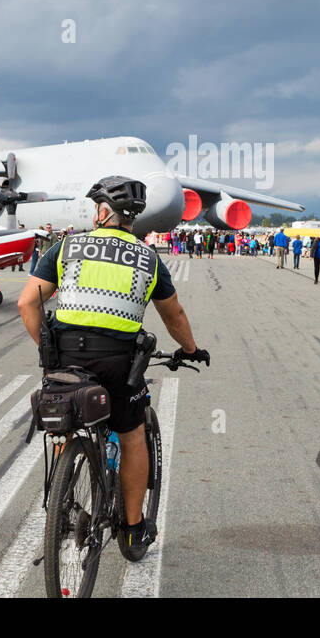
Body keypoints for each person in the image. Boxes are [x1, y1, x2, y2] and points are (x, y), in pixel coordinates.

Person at [18, 175, 208, 555]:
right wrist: (189, 349)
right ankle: (134, 529)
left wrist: (48, 352)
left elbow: (27, 303)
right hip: (119, 363)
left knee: (67, 418)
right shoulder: (147, 258)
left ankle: (63, 500)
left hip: (67, 358)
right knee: (132, 433)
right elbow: (174, 315)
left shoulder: (66, 247)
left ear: (104, 212)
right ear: (132, 218)